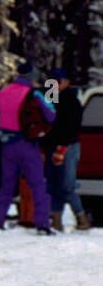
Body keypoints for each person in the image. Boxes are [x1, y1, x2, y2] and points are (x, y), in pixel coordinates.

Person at [0, 60, 56, 235]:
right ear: (31, 75)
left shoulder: (3, 93)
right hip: (27, 145)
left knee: (6, 185)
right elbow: (50, 116)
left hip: (7, 145)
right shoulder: (33, 94)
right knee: (37, 185)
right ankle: (42, 225)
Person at [43, 66, 90, 231]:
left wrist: (62, 146)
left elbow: (72, 127)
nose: (54, 85)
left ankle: (81, 218)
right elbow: (46, 120)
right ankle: (56, 220)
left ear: (66, 82)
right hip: (52, 146)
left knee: (67, 186)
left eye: (58, 81)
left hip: (67, 146)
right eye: (52, 81)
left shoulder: (71, 100)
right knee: (53, 185)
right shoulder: (51, 98)